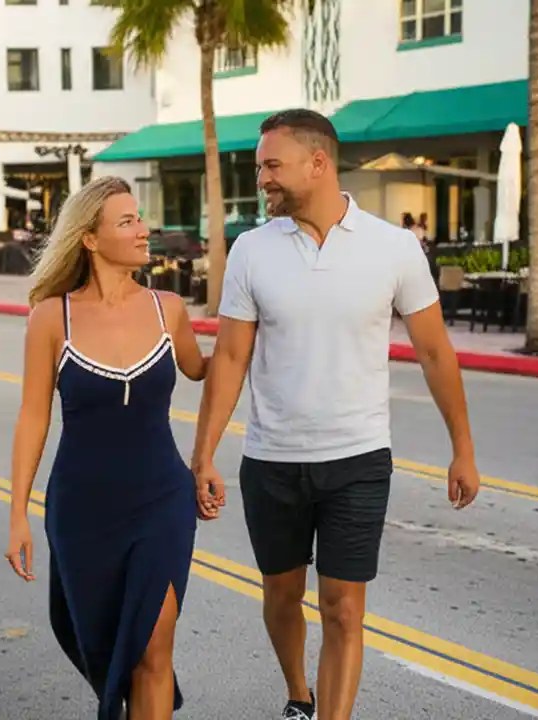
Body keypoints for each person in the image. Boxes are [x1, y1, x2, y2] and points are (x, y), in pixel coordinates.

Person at [190, 109, 480, 720]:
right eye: (260, 166)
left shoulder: (394, 248)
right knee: (281, 597)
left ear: (317, 163)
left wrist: (464, 448)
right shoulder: (251, 250)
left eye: (272, 165)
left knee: (344, 608)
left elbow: (433, 350)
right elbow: (233, 355)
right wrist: (204, 454)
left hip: (358, 458)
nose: (262, 177)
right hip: (272, 460)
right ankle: (299, 693)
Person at [6, 176, 208, 720]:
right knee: (107, 650)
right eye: (127, 222)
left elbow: (207, 370)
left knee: (153, 646)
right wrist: (18, 513)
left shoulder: (169, 310)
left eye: (140, 219)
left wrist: (257, 331)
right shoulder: (52, 317)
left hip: (163, 502)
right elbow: (32, 416)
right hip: (83, 512)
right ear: (90, 239)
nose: (143, 231)